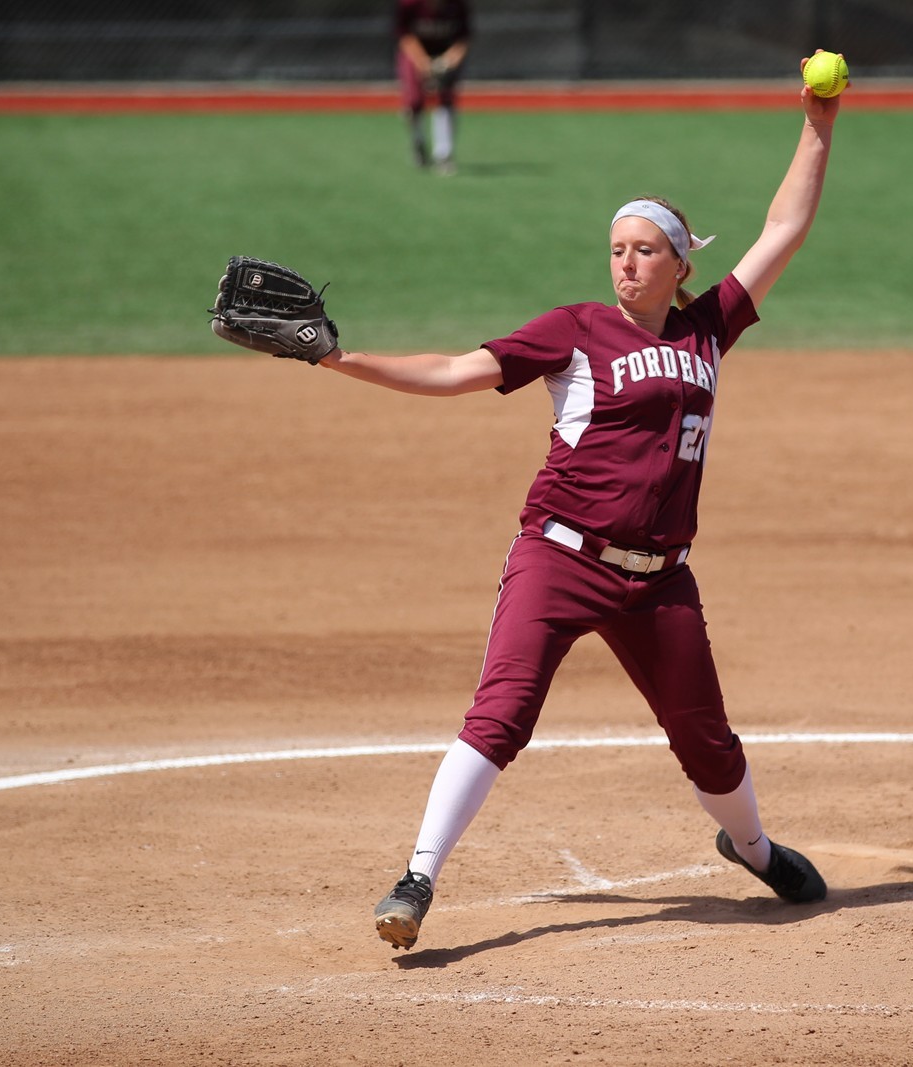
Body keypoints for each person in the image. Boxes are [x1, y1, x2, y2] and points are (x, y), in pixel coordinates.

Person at [307, 57, 841, 952]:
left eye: (645, 251)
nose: (627, 264)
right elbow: (455, 372)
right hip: (559, 556)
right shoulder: (576, 329)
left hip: (661, 581)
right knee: (501, 713)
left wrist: (819, 118)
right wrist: (341, 358)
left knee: (706, 740)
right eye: (618, 250)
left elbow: (786, 224)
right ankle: (417, 876)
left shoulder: (709, 326)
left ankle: (752, 846)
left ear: (679, 264)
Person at [395, 0, 472, 175]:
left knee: (446, 99)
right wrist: (424, 64)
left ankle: (444, 154)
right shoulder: (410, 4)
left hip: (445, 54)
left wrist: (448, 62)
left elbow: (463, 39)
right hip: (416, 55)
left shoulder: (457, 5)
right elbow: (406, 37)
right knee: (414, 100)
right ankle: (418, 141)